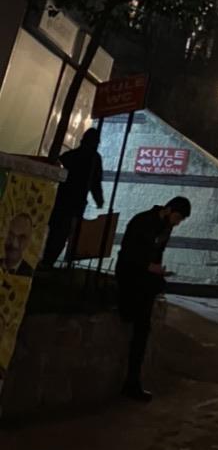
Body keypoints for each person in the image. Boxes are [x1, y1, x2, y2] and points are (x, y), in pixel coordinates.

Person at [115, 195, 191, 401]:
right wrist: (149, 267)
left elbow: (157, 254)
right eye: (177, 218)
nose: (177, 223)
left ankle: (133, 381)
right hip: (131, 278)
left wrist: (157, 271)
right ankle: (131, 383)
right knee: (139, 327)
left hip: (147, 281)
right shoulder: (143, 222)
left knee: (142, 330)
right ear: (168, 210)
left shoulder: (166, 228)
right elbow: (129, 253)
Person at [42, 129, 105, 268]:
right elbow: (96, 183)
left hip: (59, 200)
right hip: (75, 204)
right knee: (62, 235)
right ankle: (48, 262)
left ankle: (45, 261)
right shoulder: (94, 159)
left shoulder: (69, 155)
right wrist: (99, 200)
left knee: (54, 232)